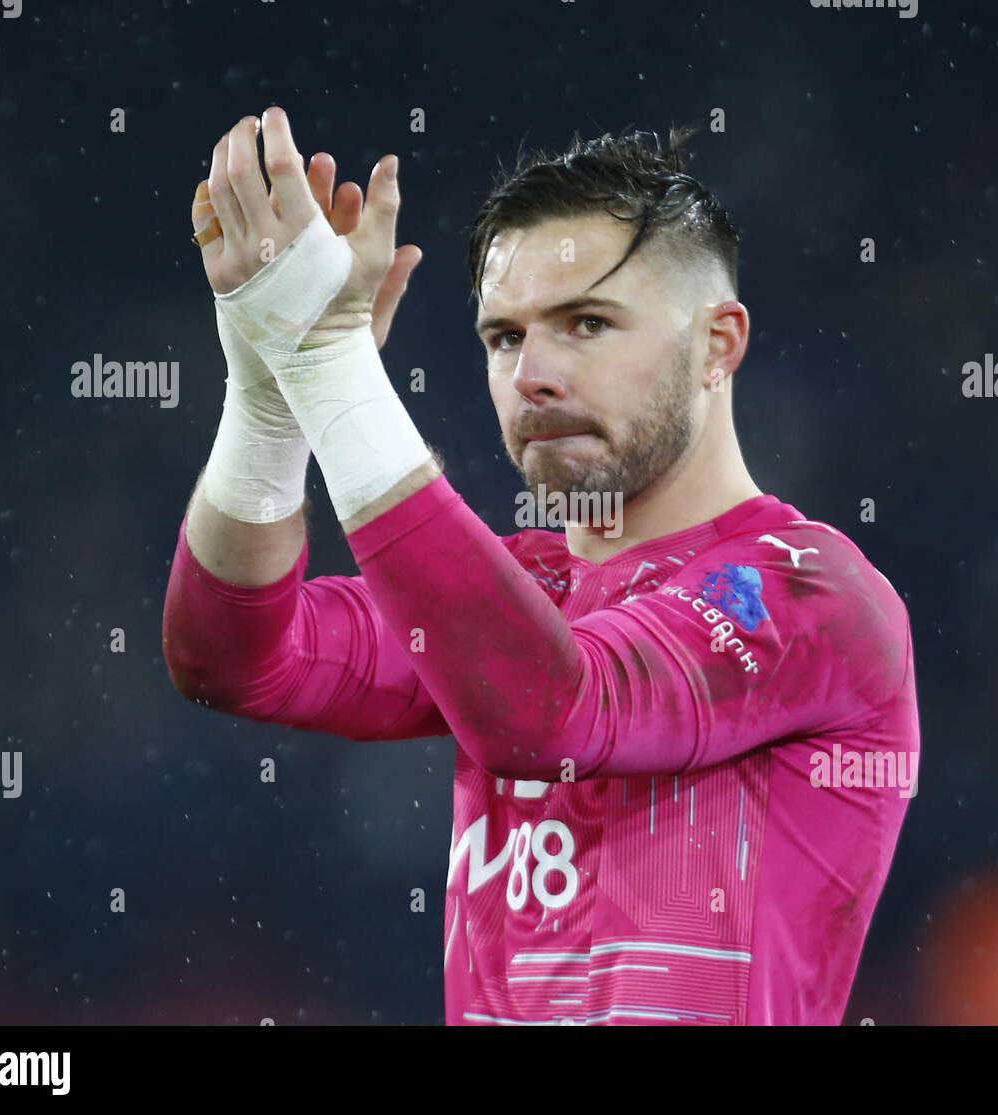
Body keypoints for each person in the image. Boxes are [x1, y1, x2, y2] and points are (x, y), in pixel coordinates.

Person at [162, 107, 920, 1025]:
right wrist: (269, 397)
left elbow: (549, 708)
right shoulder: (520, 597)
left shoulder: (811, 593)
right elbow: (236, 658)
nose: (533, 376)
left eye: (587, 323)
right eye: (505, 337)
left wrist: (329, 364)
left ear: (717, 344)